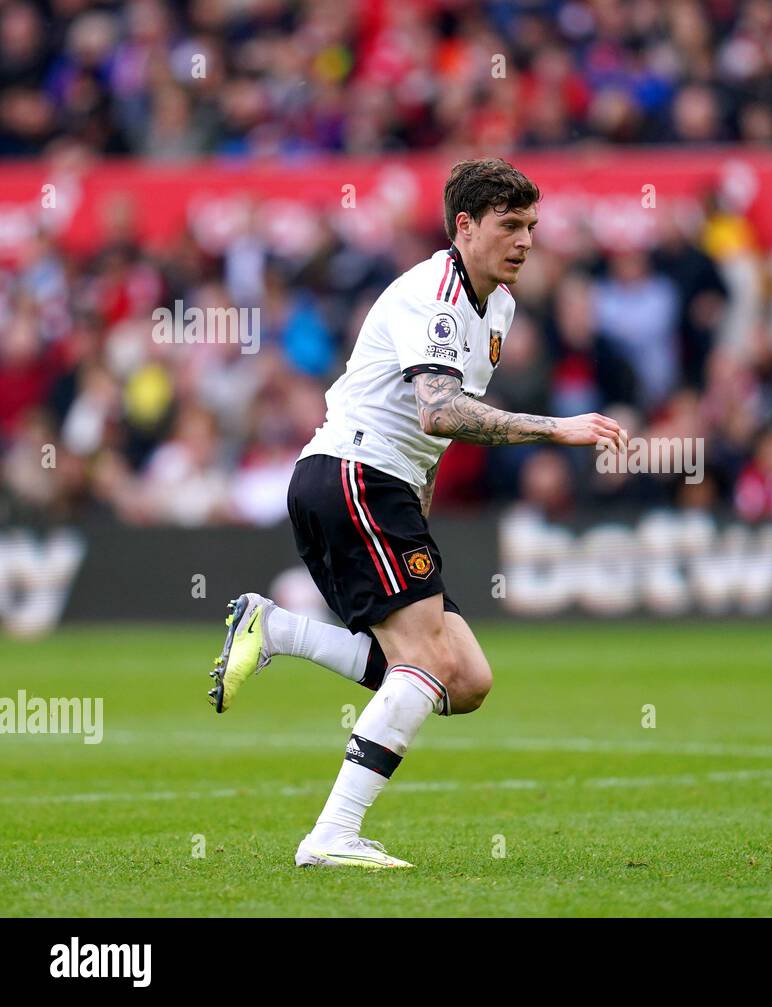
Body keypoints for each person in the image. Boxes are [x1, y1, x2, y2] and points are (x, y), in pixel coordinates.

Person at [206, 157, 625, 868]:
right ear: (464, 226)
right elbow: (436, 411)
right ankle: (332, 834)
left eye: (531, 226)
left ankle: (276, 627)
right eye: (509, 225)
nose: (525, 241)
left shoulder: (500, 307)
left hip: (384, 486)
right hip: (354, 475)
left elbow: (427, 434)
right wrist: (558, 428)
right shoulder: (432, 292)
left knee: (464, 680)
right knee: (426, 660)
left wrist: (418, 510)